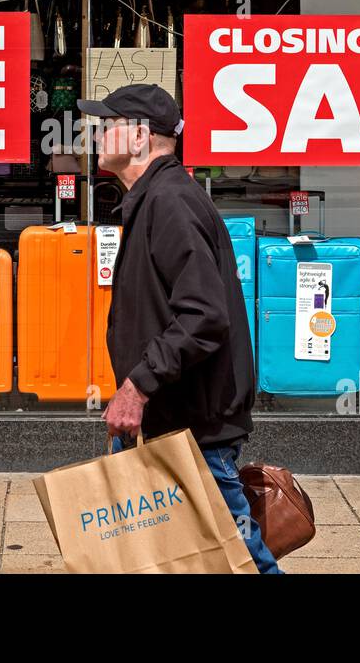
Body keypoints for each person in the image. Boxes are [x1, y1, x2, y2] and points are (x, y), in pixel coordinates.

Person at [76, 83, 282, 574]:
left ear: (142, 137)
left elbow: (203, 315)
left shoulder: (170, 202)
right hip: (174, 424)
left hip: (192, 432)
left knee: (241, 562)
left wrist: (138, 386)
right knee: (181, 562)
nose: (98, 133)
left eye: (109, 123)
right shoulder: (155, 199)